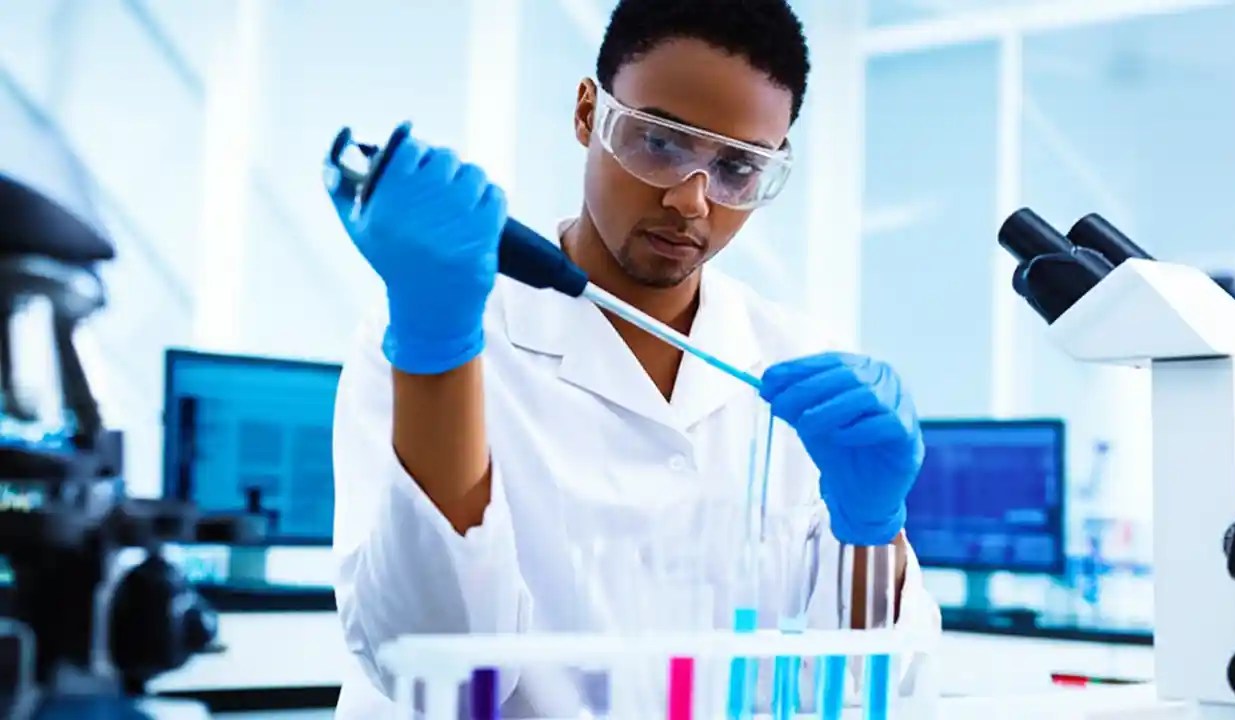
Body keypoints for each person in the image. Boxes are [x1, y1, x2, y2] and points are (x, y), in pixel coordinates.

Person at [328, 0, 941, 716]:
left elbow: (854, 697)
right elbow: (438, 673)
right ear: (589, 114)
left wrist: (873, 530)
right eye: (660, 142)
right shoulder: (439, 341)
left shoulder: (795, 366)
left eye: (739, 168)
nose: (691, 201)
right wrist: (436, 352)